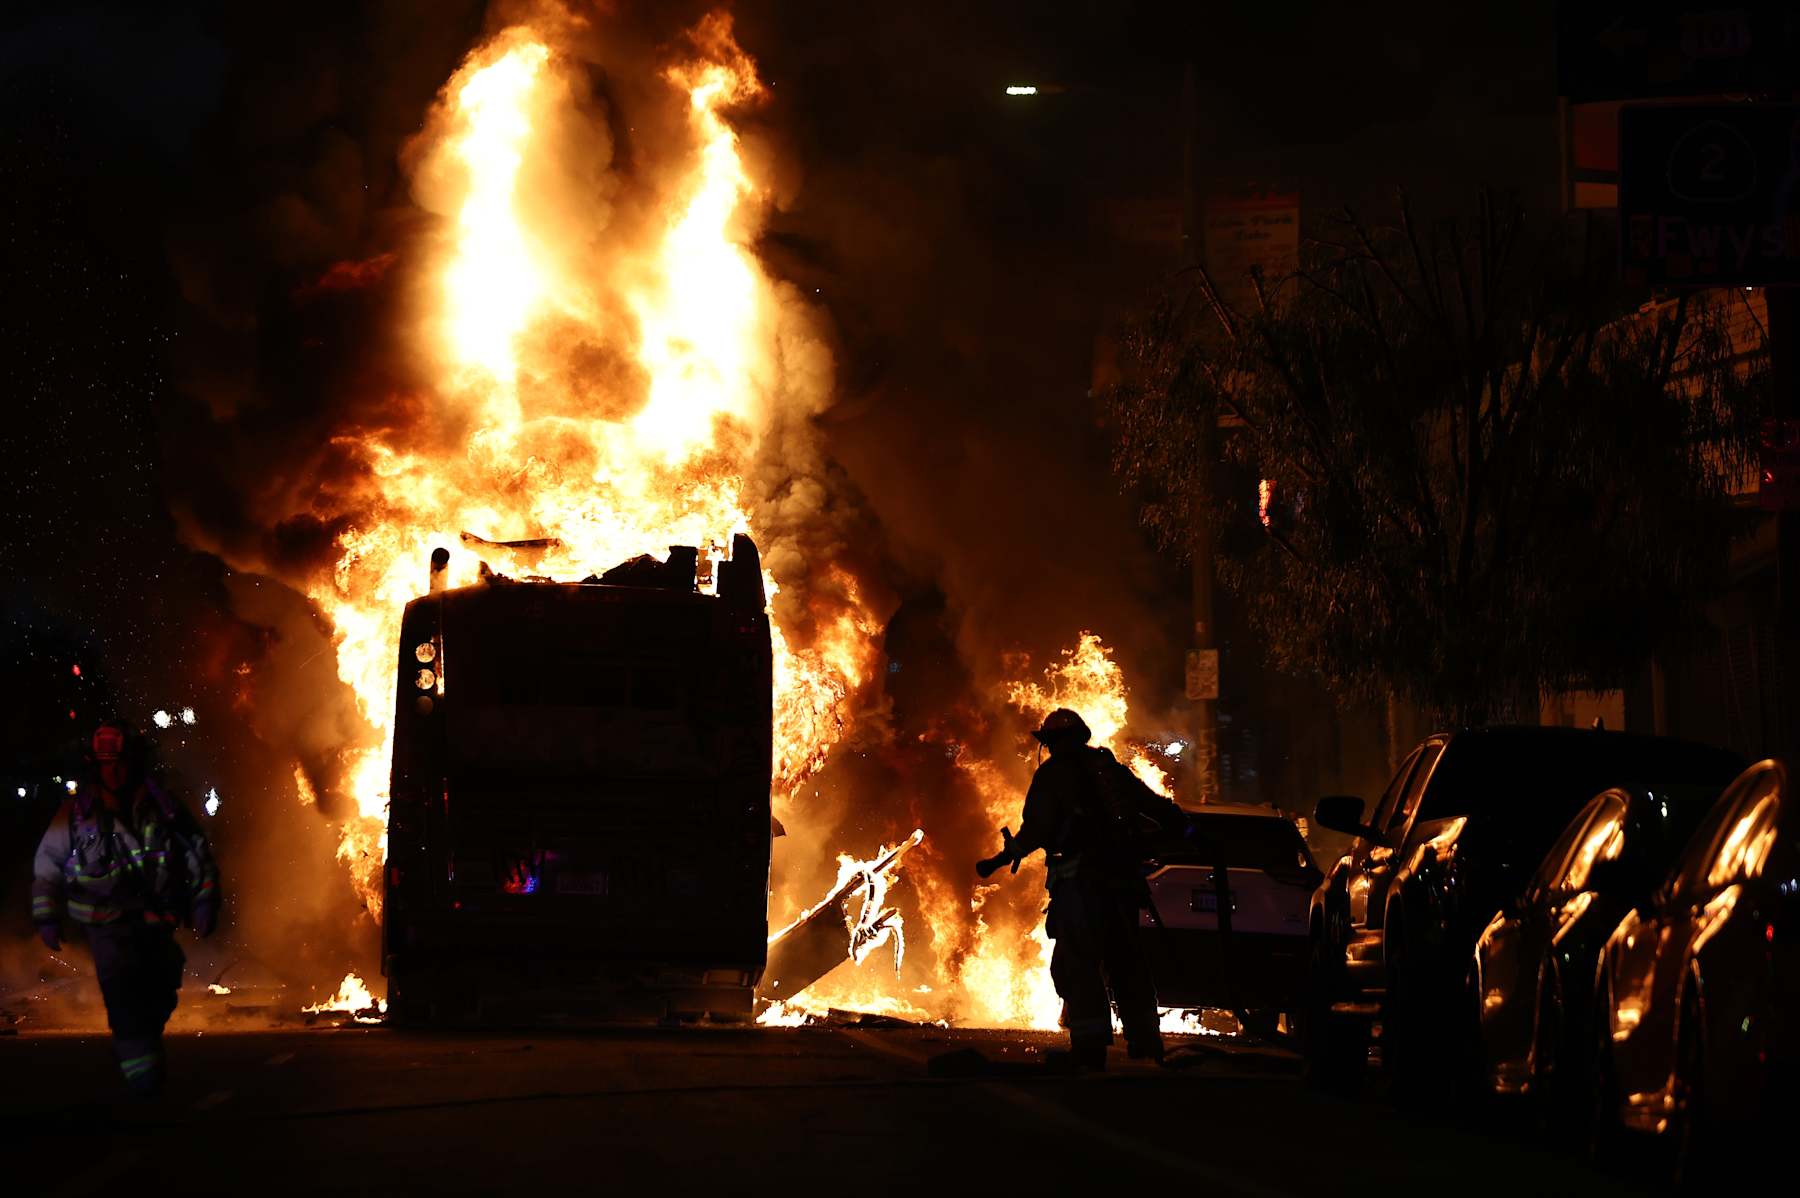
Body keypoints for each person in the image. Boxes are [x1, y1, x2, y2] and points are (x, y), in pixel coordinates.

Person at [979, 708, 1190, 1069]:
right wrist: (1186, 829)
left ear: (1051, 742)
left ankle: (1090, 1048)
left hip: (1081, 884)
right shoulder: (1111, 770)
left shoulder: (1053, 774)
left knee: (1076, 963)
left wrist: (1006, 855)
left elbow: (1038, 828)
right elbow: (1154, 806)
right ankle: (1145, 1041)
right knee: (1127, 961)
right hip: (1123, 883)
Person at [32, 722, 220, 1095]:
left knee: (162, 987)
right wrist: (46, 915)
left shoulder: (163, 808)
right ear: (95, 766)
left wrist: (204, 901)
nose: (114, 772)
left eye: (120, 763)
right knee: (122, 994)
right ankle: (142, 1079)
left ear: (134, 762)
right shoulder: (76, 813)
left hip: (155, 921)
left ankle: (140, 1046)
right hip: (105, 924)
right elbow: (47, 865)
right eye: (107, 765)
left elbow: (198, 855)